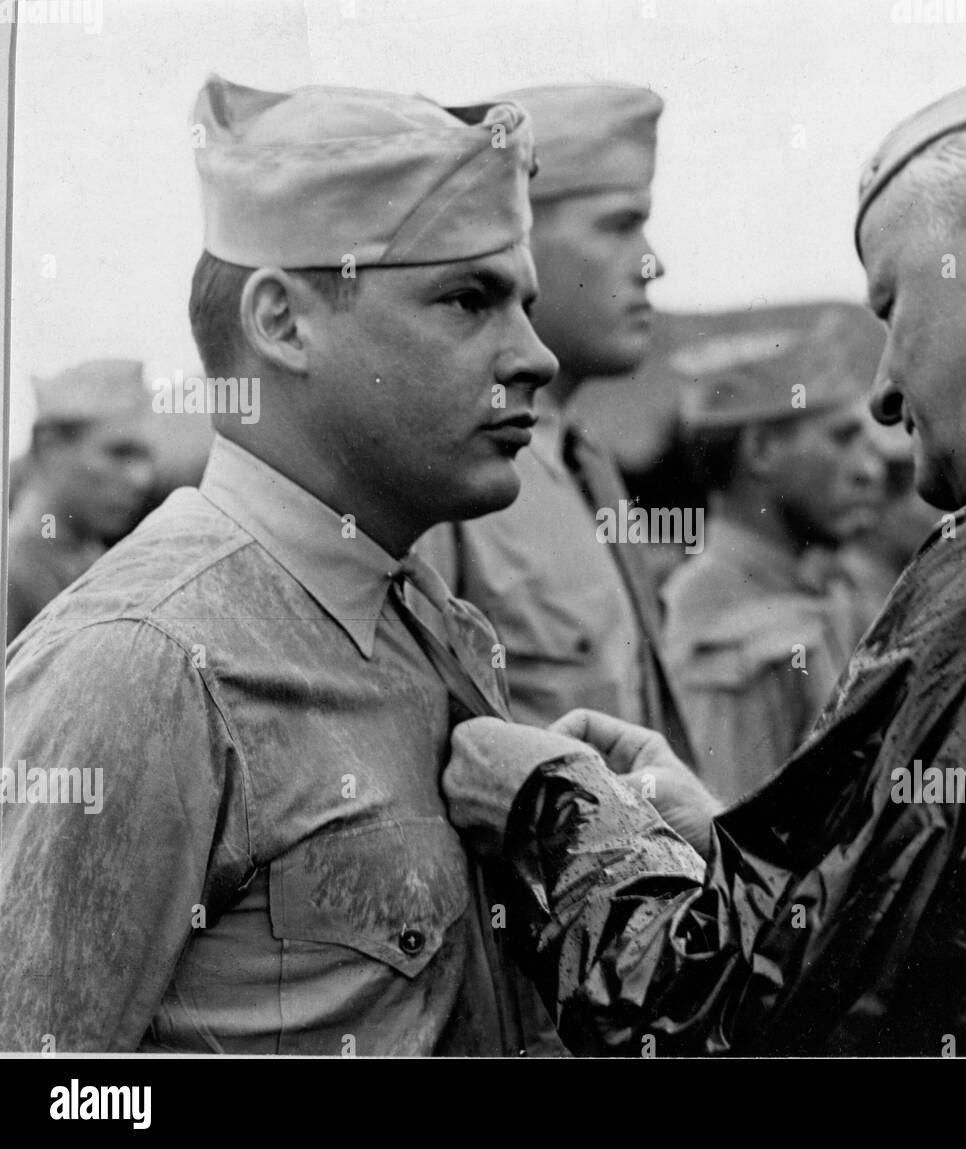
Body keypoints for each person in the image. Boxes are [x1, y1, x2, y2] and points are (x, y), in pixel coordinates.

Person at [444, 52, 966, 1056]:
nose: (885, 393)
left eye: (890, 306)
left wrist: (554, 814)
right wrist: (745, 852)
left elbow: (750, 1031)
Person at [0, 75, 563, 1054]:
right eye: (468, 298)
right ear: (283, 323)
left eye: (523, 302)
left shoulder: (421, 618)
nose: (533, 355)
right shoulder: (146, 660)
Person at [415, 83, 695, 762]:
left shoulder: (584, 461)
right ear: (518, 236)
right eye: (620, 224)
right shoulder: (447, 476)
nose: (654, 263)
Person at [665, 312, 889, 801]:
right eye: (841, 439)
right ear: (762, 450)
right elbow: (732, 845)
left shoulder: (823, 592)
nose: (870, 472)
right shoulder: (727, 631)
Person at [5, 359, 155, 644]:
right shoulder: (12, 571)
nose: (141, 479)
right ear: (49, 445)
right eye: (119, 453)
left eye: (144, 456)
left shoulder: (95, 560)